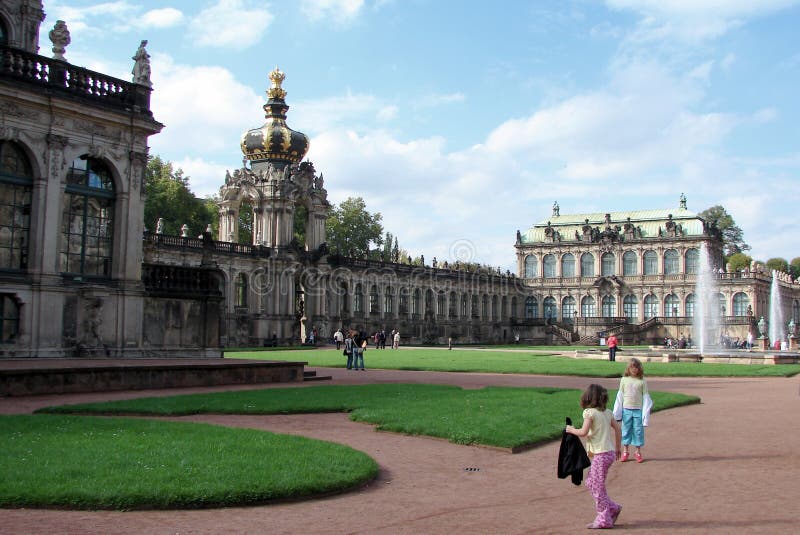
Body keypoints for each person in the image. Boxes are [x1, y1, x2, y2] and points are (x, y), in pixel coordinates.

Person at [566, 384, 622, 529]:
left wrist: (571, 430)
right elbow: (618, 429)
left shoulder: (589, 413)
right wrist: (617, 448)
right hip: (608, 453)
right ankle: (612, 508)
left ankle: (604, 518)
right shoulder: (607, 412)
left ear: (588, 398)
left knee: (596, 486)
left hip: (601, 455)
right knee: (592, 482)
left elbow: (583, 432)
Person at [612, 358, 652, 464]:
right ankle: (625, 451)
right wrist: (617, 411)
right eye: (632, 367)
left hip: (637, 409)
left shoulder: (642, 380)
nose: (634, 369)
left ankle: (638, 452)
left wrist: (646, 413)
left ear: (639, 368)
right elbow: (620, 396)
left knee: (638, 431)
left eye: (636, 367)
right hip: (626, 409)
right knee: (626, 430)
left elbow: (646, 397)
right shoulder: (624, 379)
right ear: (628, 368)